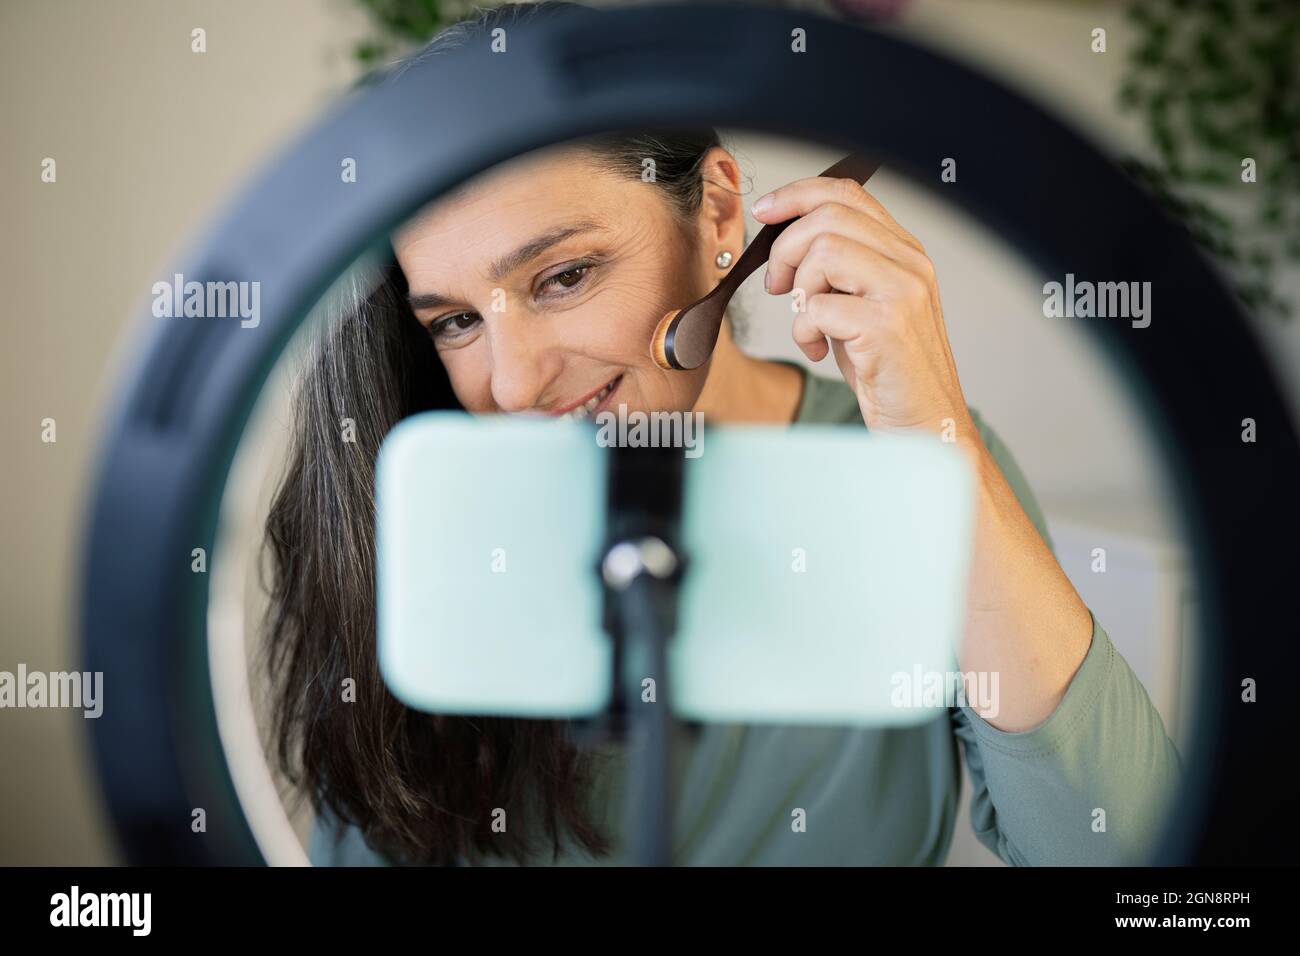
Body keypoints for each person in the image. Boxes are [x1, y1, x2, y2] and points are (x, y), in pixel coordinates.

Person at [264, 2, 1182, 867]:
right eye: (456, 322)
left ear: (715, 212)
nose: (512, 382)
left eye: (565, 275)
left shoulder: (915, 476)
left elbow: (1143, 869)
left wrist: (937, 443)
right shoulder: (430, 502)